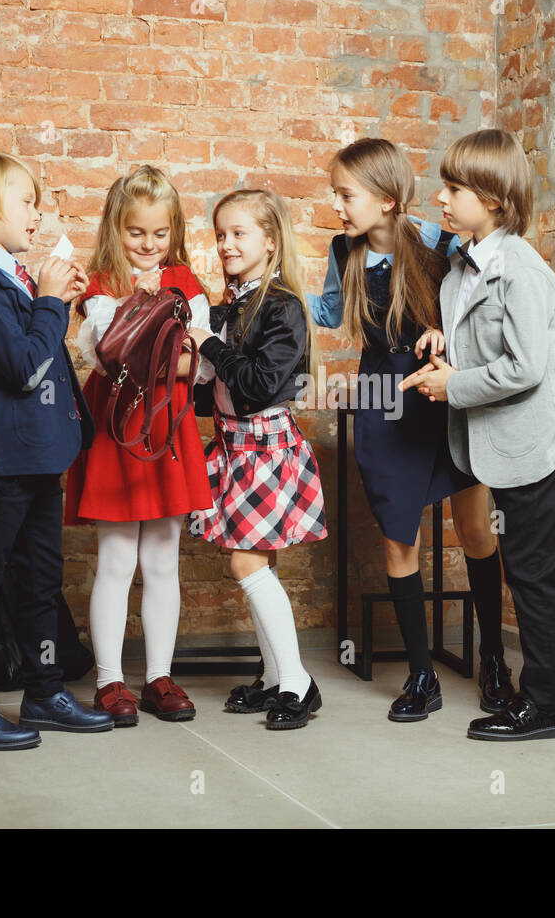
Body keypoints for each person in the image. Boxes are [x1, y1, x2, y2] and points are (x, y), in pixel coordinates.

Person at [402, 129, 555, 741]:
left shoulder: (522, 270)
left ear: (493, 197)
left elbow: (525, 367)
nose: (441, 199)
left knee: (531, 571)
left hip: (534, 447)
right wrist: (442, 343)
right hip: (504, 447)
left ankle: (545, 704)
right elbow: (476, 342)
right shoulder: (463, 266)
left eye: (454, 189)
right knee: (546, 561)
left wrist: (451, 387)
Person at [307, 138, 511, 722]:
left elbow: (477, 303)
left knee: (475, 528)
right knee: (400, 538)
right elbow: (326, 310)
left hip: (447, 395)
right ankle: (422, 674)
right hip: (384, 404)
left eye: (346, 195)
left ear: (388, 199)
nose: (338, 206)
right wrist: (278, 283)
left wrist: (449, 338)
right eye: (336, 194)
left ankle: (495, 660)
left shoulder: (440, 242)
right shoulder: (342, 252)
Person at [0, 149, 113, 750]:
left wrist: (48, 300)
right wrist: (51, 302)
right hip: (1, 464)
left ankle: (44, 690)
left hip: (36, 458)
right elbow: (24, 369)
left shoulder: (10, 276)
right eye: (27, 201)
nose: (38, 213)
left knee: (40, 582)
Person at [64, 166, 214, 726]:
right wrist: (157, 334)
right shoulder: (102, 283)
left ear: (173, 230)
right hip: (118, 430)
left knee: (161, 559)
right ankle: (109, 682)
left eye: (159, 234)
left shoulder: (188, 282)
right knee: (116, 558)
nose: (148, 246)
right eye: (135, 233)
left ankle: (158, 677)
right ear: (115, 228)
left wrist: (158, 344)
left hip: (168, 429)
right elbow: (105, 354)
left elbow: (200, 365)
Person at [187, 189, 328, 731]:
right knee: (259, 563)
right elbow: (213, 393)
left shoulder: (282, 306)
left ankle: (297, 684)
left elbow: (258, 384)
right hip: (233, 445)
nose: (226, 244)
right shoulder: (231, 305)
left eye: (239, 233)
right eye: (220, 234)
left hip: (266, 447)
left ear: (270, 242)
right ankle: (274, 677)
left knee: (246, 563)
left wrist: (208, 346)